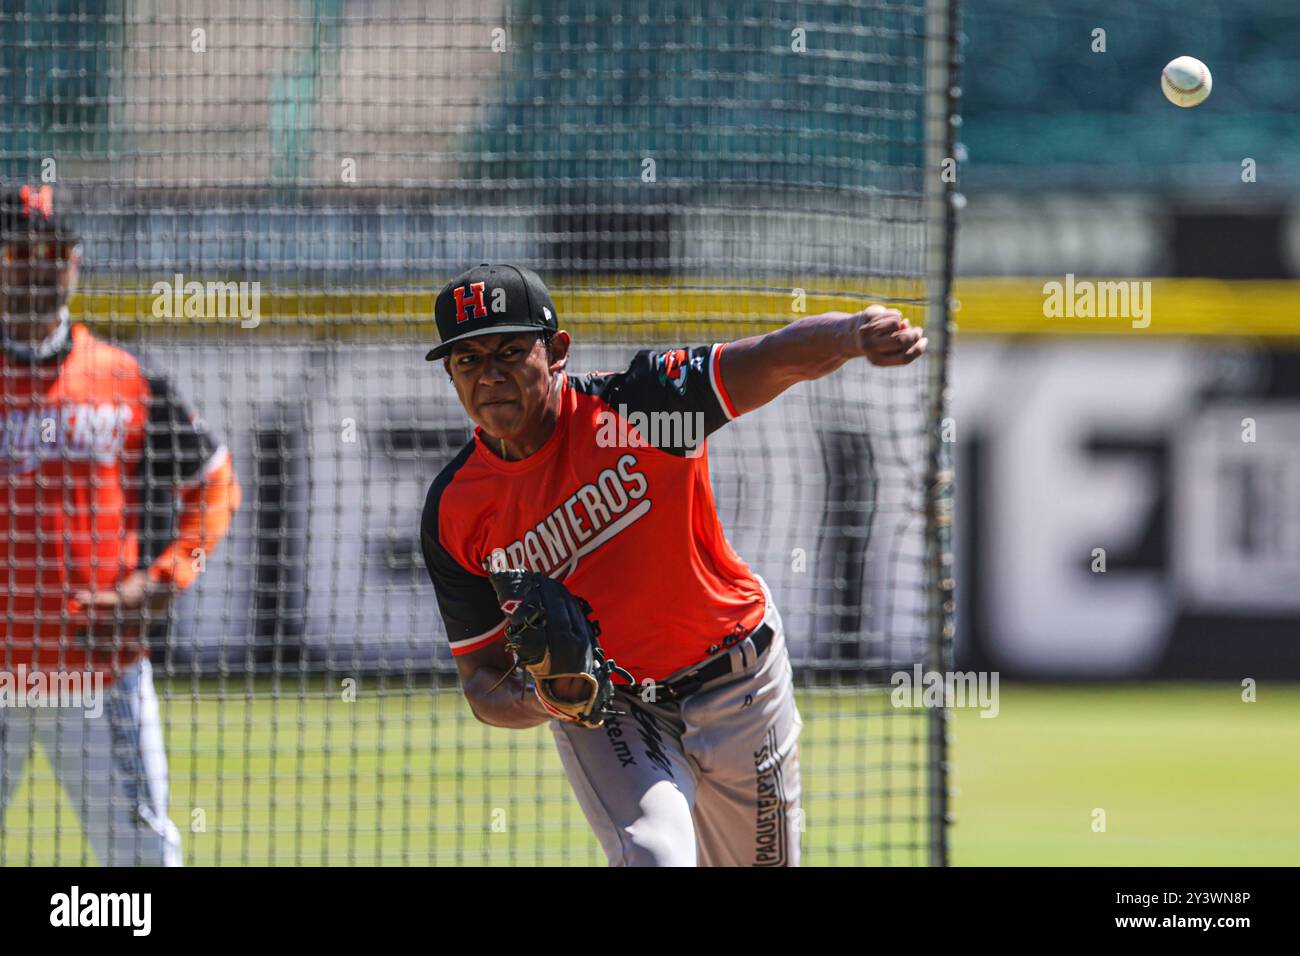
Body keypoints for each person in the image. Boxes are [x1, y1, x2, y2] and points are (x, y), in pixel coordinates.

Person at [420, 262, 925, 866]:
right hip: (615, 707)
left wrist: (850, 335)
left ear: (556, 351)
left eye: (508, 351)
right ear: (450, 374)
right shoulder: (455, 508)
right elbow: (483, 684)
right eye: (468, 360)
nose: (490, 375)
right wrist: (553, 697)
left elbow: (769, 357)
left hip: (740, 679)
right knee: (652, 855)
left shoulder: (641, 406)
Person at [0, 185, 241, 866]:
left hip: (97, 668)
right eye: (21, 251)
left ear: (74, 262)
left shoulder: (123, 377)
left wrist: (165, 580)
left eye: (56, 250)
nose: (40, 266)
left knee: (142, 862)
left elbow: (217, 483)